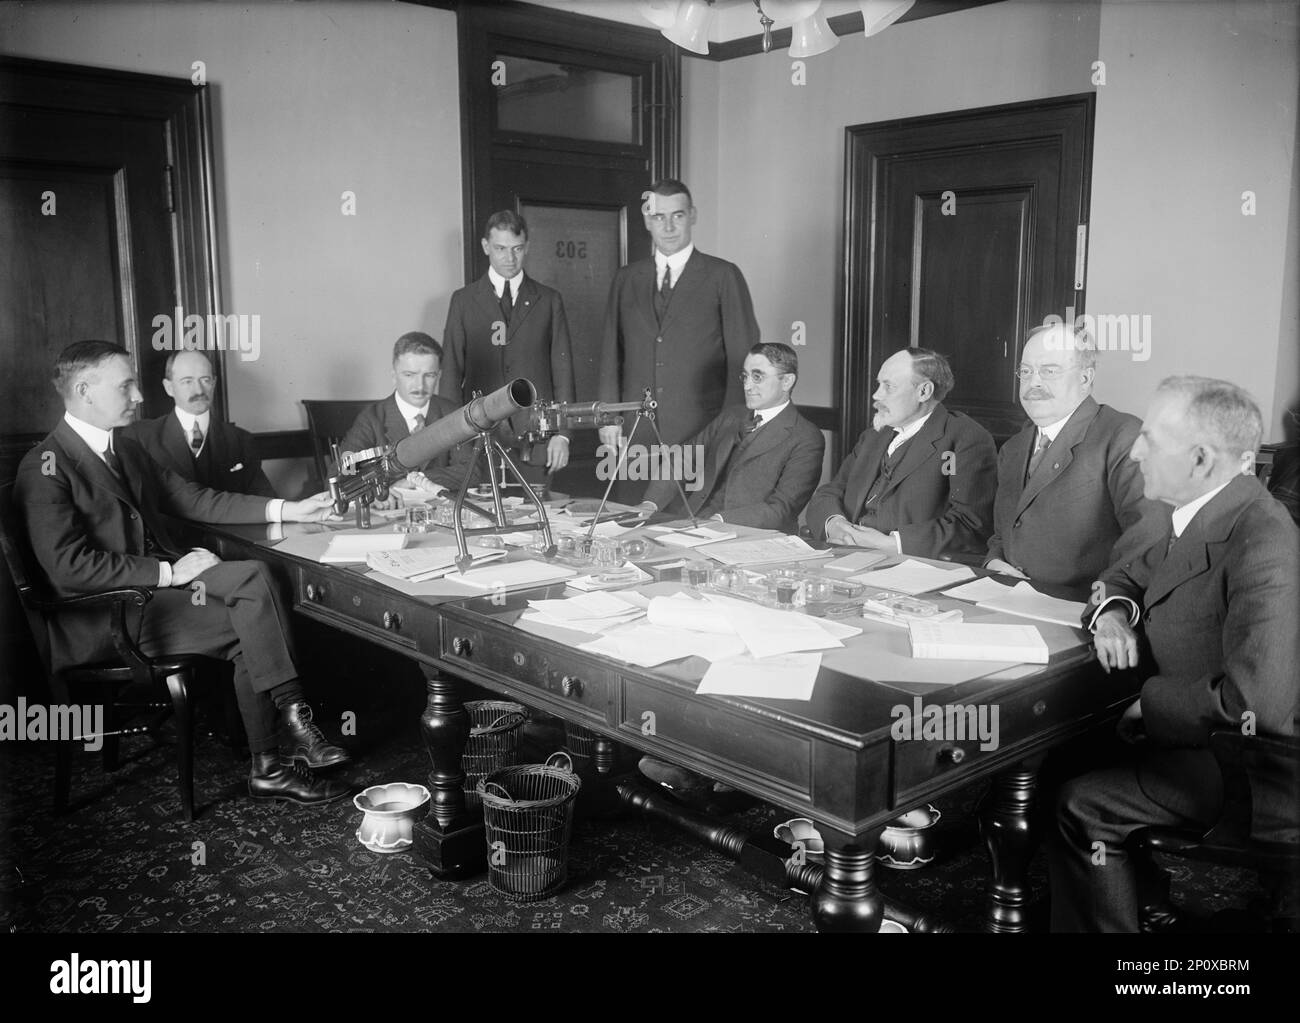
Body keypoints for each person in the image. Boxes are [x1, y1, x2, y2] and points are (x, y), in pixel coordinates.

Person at [15, 341, 353, 805]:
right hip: (101, 618)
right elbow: (69, 569)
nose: (138, 396)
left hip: (149, 595)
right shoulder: (45, 466)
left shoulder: (125, 447)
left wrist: (289, 509)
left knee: (254, 578)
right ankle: (275, 755)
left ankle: (290, 730)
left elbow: (193, 497)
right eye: (126, 385)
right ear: (84, 390)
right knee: (249, 620)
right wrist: (169, 571)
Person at [1049, 376, 1299, 931]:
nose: (1135, 451)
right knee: (1059, 756)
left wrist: (1149, 704)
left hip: (1253, 768)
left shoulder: (1263, 540)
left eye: (1151, 440)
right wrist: (1114, 611)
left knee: (1078, 802)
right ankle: (1144, 904)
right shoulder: (1190, 508)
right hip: (1205, 738)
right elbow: (1124, 573)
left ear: (1202, 457)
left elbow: (1260, 703)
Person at [597, 179, 759, 469]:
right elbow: (611, 354)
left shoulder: (723, 275)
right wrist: (609, 417)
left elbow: (742, 359)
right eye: (659, 217)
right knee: (634, 513)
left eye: (678, 216)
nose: (668, 227)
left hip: (702, 432)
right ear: (648, 221)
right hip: (637, 434)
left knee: (693, 514)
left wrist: (729, 428)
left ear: (692, 216)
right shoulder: (626, 279)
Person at [985, 323, 1154, 601]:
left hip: (1085, 610)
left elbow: (1147, 541)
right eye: (1025, 372)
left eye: (1049, 371)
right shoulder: (1014, 448)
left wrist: (1110, 607)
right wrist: (994, 562)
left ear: (1086, 378)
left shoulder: (1124, 436)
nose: (1033, 383)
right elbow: (1002, 533)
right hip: (1008, 601)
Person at [806, 348, 996, 558]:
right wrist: (834, 524)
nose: (876, 395)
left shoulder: (965, 438)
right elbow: (831, 491)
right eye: (879, 384)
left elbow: (971, 524)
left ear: (924, 391)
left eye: (889, 386)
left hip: (911, 567)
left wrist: (894, 544)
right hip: (846, 556)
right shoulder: (873, 436)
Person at [439, 210, 575, 479]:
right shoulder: (463, 301)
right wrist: (452, 441)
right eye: (501, 248)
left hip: (538, 441)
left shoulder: (548, 301)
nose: (509, 258)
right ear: (486, 246)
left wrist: (563, 435)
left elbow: (563, 373)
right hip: (478, 440)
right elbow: (451, 374)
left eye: (517, 249)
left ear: (527, 247)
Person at [638, 342, 823, 534]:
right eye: (745, 376)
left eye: (757, 377)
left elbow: (782, 508)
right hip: (691, 523)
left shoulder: (806, 437)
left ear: (787, 381)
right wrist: (650, 504)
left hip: (750, 538)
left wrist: (720, 520)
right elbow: (684, 458)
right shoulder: (732, 416)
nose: (747, 385)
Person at [123, 348, 275, 497]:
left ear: (214, 384)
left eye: (205, 380)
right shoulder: (141, 437)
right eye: (187, 381)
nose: (199, 390)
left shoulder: (241, 440)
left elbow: (264, 500)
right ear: (169, 388)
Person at [339, 332, 477, 495]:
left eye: (429, 375)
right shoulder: (372, 418)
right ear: (394, 376)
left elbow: (473, 471)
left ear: (439, 376)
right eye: (409, 375)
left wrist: (416, 480)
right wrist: (377, 493)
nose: (420, 385)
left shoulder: (452, 413)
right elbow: (342, 475)